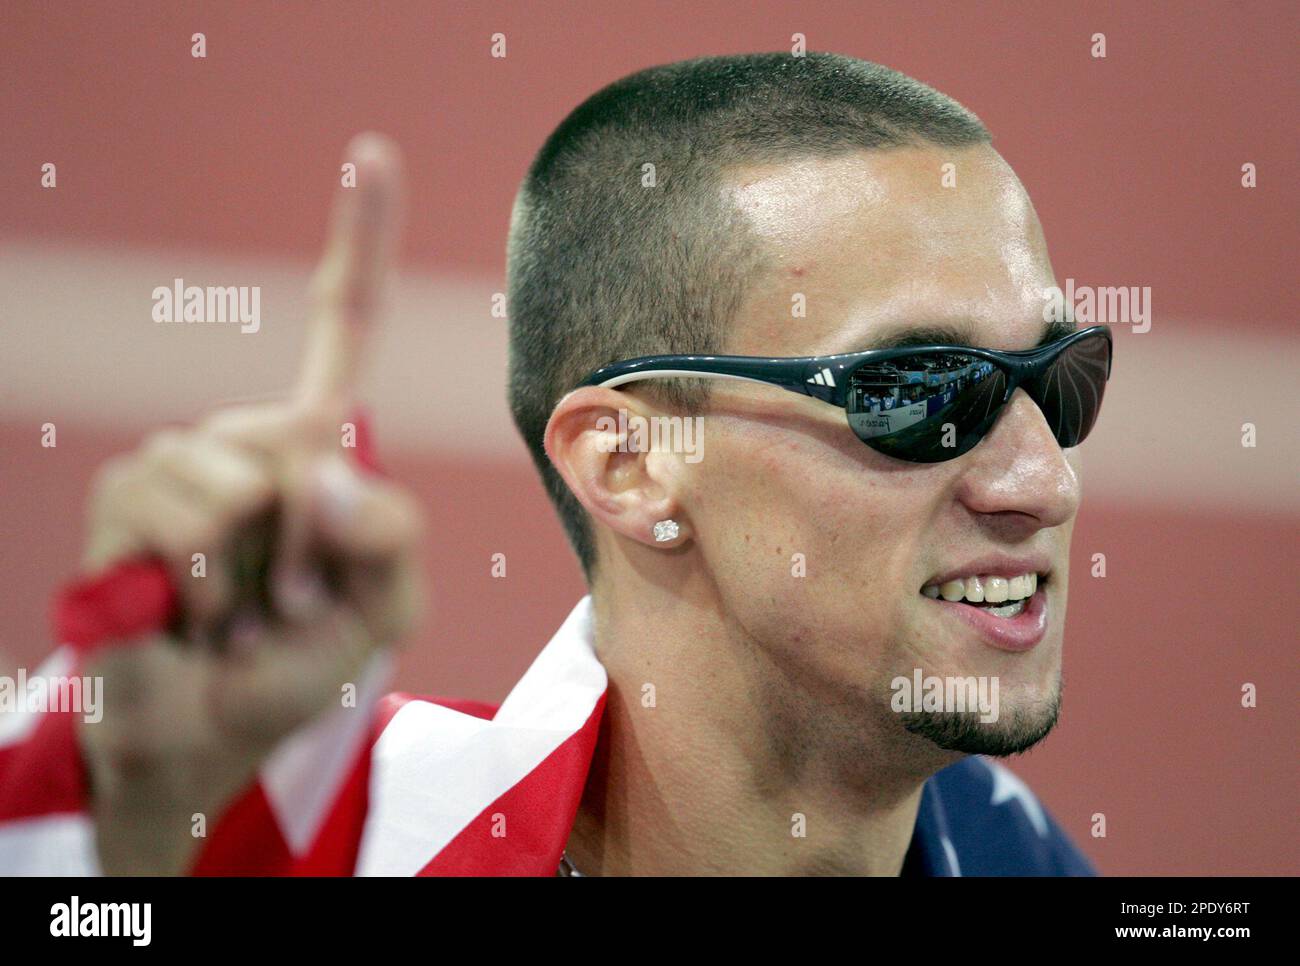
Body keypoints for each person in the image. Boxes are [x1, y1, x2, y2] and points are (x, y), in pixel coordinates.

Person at [0, 52, 1108, 876]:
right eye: (914, 389)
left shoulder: (1016, 854)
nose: (1041, 479)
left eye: (1060, 379)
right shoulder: (360, 835)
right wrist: (140, 830)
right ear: (627, 464)